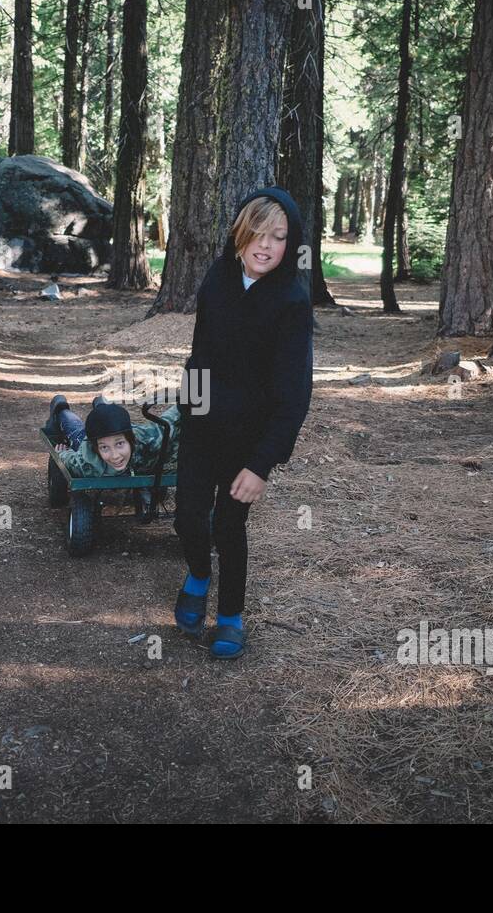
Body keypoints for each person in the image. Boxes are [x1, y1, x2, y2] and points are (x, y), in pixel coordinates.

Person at [172, 187, 314, 659]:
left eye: (278, 236)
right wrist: (189, 411)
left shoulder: (292, 302)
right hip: (201, 428)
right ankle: (197, 574)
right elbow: (200, 356)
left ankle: (230, 616)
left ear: (290, 244)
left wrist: (261, 464)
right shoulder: (217, 279)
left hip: (247, 441)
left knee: (229, 526)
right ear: (239, 232)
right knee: (189, 516)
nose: (265, 245)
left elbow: (294, 397)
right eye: (257, 232)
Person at [45, 395, 181, 477]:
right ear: (97, 450)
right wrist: (62, 454)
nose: (115, 456)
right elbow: (70, 460)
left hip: (122, 428)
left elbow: (173, 417)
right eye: (104, 448)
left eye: (120, 444)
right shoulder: (89, 463)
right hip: (90, 437)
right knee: (77, 432)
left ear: (131, 441)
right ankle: (61, 410)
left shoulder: (151, 439)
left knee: (108, 420)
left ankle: (102, 405)